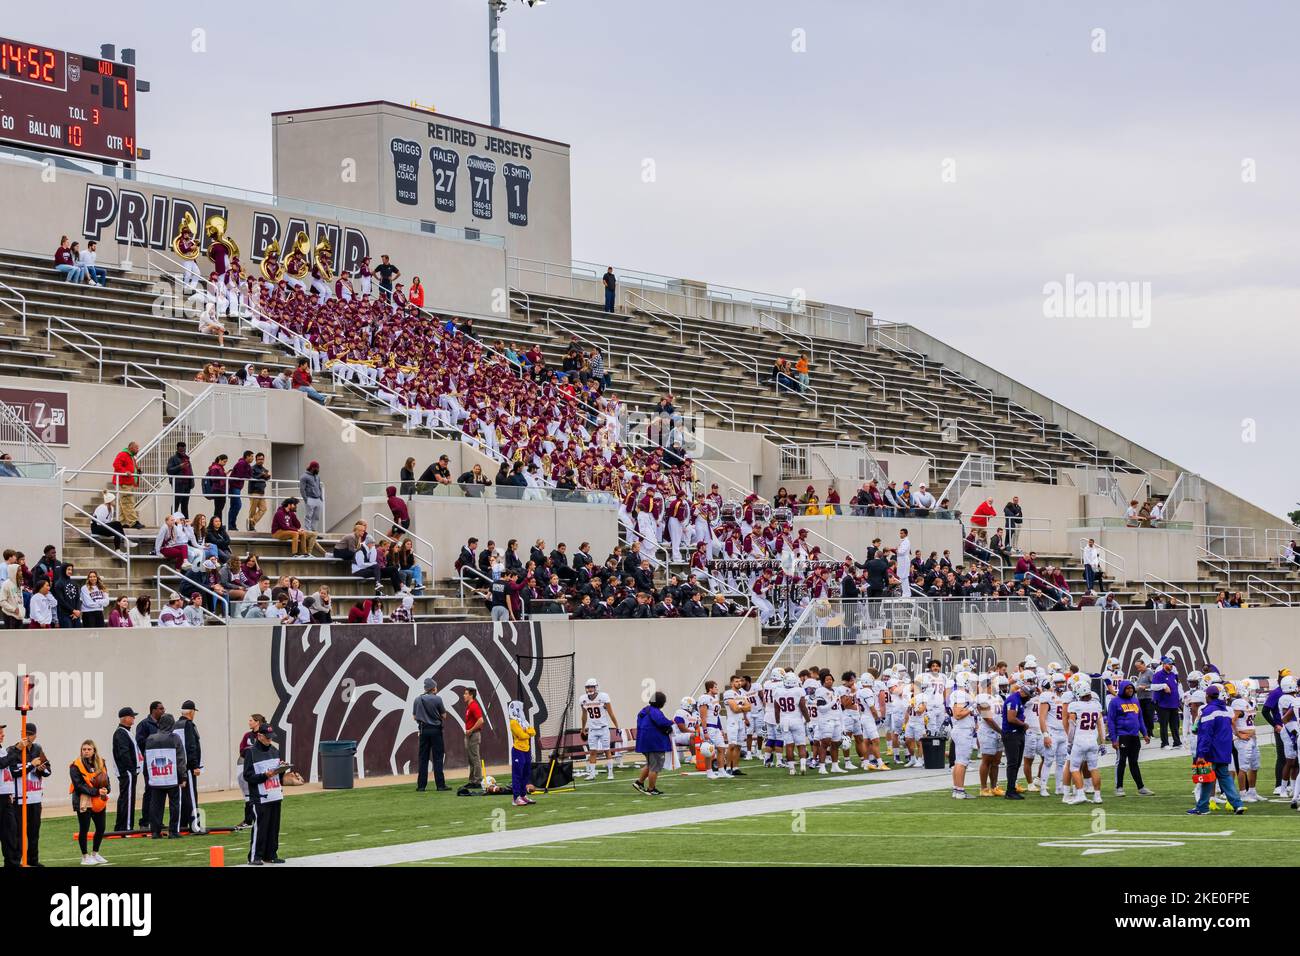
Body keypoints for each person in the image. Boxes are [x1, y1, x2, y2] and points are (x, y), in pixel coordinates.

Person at [1189, 685, 1246, 815]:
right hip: (1225, 749)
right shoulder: (1227, 710)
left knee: (1206, 778)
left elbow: (1206, 733)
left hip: (1211, 750)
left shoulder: (1208, 710)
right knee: (1225, 777)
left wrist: (1201, 753)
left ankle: (1202, 807)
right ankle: (1237, 804)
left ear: (1207, 696)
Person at [243, 722, 287, 864]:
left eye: (271, 737)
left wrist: (282, 769)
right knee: (260, 827)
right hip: (260, 797)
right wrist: (264, 775)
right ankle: (255, 857)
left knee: (274, 827)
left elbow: (279, 777)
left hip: (275, 794)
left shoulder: (274, 750)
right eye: (267, 737)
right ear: (259, 736)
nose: (270, 740)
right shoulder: (250, 752)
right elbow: (248, 776)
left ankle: (271, 855)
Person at [8, 723, 50, 865]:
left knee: (34, 833)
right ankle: (18, 861)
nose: (27, 737)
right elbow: (13, 773)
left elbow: (48, 771)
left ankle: (33, 860)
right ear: (21, 733)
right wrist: (31, 765)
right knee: (18, 834)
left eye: (30, 734)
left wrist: (41, 768)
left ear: (35, 735)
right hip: (19, 799)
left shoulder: (38, 748)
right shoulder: (13, 750)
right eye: (25, 733)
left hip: (35, 798)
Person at [1106, 680, 1152, 796]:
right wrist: (1113, 739)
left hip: (1134, 736)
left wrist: (1145, 733)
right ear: (1122, 689)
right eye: (1127, 688)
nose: (1130, 690)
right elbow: (1110, 721)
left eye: (1131, 688)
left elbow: (1140, 718)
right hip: (1122, 735)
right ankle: (1119, 787)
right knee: (1121, 761)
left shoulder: (1135, 701)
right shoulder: (1115, 702)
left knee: (1134, 762)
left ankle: (1141, 787)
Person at [1062, 679, 1104, 805]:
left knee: (1074, 768)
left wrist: (1069, 742)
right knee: (1094, 768)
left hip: (1079, 740)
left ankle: (1080, 794)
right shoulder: (1096, 705)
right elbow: (1101, 724)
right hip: (1092, 740)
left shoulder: (1074, 705)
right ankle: (1097, 796)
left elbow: (1072, 726)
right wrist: (1102, 742)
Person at [143, 714, 185, 838]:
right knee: (175, 805)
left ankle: (155, 832)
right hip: (172, 777)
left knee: (156, 806)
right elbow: (180, 759)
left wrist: (148, 776)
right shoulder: (175, 738)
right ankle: (173, 831)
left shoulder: (150, 739)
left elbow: (147, 759)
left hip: (156, 778)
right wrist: (183, 777)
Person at [69, 740, 111, 865]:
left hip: (98, 799)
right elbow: (78, 785)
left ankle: (95, 853)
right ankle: (85, 856)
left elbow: (106, 780)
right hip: (83, 799)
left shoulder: (101, 763)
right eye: (84, 749)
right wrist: (96, 791)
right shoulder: (75, 765)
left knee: (101, 827)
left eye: (89, 749)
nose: (86, 751)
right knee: (84, 828)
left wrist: (106, 790)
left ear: (94, 751)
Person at [632, 691, 672, 796]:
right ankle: (651, 789)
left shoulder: (644, 710)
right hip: (654, 742)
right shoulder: (656, 711)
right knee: (655, 766)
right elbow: (662, 722)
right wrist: (672, 722)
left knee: (650, 765)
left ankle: (639, 782)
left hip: (644, 742)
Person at [580, 677, 621, 781]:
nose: (589, 689)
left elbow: (611, 713)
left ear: (596, 687)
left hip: (603, 728)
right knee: (592, 751)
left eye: (591, 687)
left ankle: (611, 773)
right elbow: (584, 715)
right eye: (588, 687)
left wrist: (617, 726)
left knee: (607, 750)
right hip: (592, 729)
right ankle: (592, 774)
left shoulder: (603, 697)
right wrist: (583, 728)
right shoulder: (583, 699)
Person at [413, 678, 449, 792]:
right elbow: (444, 716)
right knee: (438, 758)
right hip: (435, 731)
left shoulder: (417, 699)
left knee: (423, 758)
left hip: (423, 730)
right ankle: (440, 785)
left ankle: (421, 786)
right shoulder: (438, 699)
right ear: (433, 688)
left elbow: (414, 717)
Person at [176, 701, 204, 834]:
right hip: (188, 767)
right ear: (191, 712)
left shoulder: (176, 725)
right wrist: (195, 766)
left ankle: (182, 824)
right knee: (192, 796)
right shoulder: (188, 725)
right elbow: (191, 747)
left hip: (178, 767)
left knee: (182, 797)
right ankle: (195, 825)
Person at [111, 706, 140, 832]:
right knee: (127, 799)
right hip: (127, 772)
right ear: (125, 718)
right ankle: (127, 827)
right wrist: (131, 769)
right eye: (132, 716)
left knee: (125, 798)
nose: (134, 718)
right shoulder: (121, 733)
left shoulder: (125, 732)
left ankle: (121, 826)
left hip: (128, 772)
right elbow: (124, 753)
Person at [1001, 675, 1029, 799]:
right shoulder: (1014, 700)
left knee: (1016, 763)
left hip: (1017, 733)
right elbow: (1011, 718)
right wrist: (1023, 724)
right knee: (1013, 763)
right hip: (1011, 733)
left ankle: (1012, 788)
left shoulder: (1018, 699)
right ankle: (1010, 791)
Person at [508, 700, 537, 806]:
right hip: (518, 750)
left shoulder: (523, 721)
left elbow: (533, 731)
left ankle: (523, 795)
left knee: (526, 773)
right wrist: (527, 732)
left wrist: (527, 731)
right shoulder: (513, 722)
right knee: (517, 775)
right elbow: (521, 735)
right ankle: (516, 798)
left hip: (526, 750)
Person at [1151, 655, 1182, 748]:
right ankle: (1164, 743)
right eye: (1169, 664)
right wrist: (1164, 686)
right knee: (1164, 725)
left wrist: (1180, 697)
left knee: (1175, 724)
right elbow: (1153, 687)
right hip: (1163, 704)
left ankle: (1177, 742)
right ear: (1164, 664)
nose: (1171, 666)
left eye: (1172, 664)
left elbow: (1177, 686)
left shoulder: (1173, 675)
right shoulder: (1158, 674)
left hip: (1174, 703)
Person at [112, 441, 142, 529]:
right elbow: (116, 464)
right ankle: (133, 522)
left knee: (123, 503)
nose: (138, 450)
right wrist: (125, 471)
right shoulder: (123, 454)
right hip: (124, 482)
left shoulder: (131, 457)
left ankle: (123, 522)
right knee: (128, 502)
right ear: (130, 447)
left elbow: (132, 468)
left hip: (129, 483)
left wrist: (138, 470)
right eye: (136, 448)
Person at [0, 723, 18, 867]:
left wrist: (9, 791)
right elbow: (1, 763)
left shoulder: (3, 749)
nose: (2, 734)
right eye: (0, 732)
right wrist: (16, 750)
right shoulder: (7, 752)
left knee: (10, 832)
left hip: (5, 797)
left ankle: (12, 863)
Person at [462, 688, 485, 788]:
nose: (464, 695)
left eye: (466, 693)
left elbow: (481, 720)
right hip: (469, 735)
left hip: (474, 735)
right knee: (471, 759)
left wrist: (470, 730)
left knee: (475, 758)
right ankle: (472, 780)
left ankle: (478, 780)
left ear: (471, 695)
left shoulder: (474, 706)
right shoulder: (469, 707)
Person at [246, 452, 271, 531]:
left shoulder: (264, 469)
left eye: (262, 459)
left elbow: (265, 478)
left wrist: (267, 476)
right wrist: (261, 475)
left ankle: (252, 521)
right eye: (259, 459)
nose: (261, 460)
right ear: (256, 460)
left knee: (264, 509)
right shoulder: (252, 468)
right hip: (254, 491)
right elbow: (251, 477)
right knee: (252, 510)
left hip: (261, 492)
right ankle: (251, 526)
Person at [299, 462, 324, 533]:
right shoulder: (304, 477)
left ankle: (314, 532)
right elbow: (302, 489)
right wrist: (306, 499)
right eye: (317, 468)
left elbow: (319, 487)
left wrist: (321, 498)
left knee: (316, 517)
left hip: (318, 499)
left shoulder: (317, 476)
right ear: (312, 468)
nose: (318, 469)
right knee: (308, 516)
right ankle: (308, 532)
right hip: (310, 498)